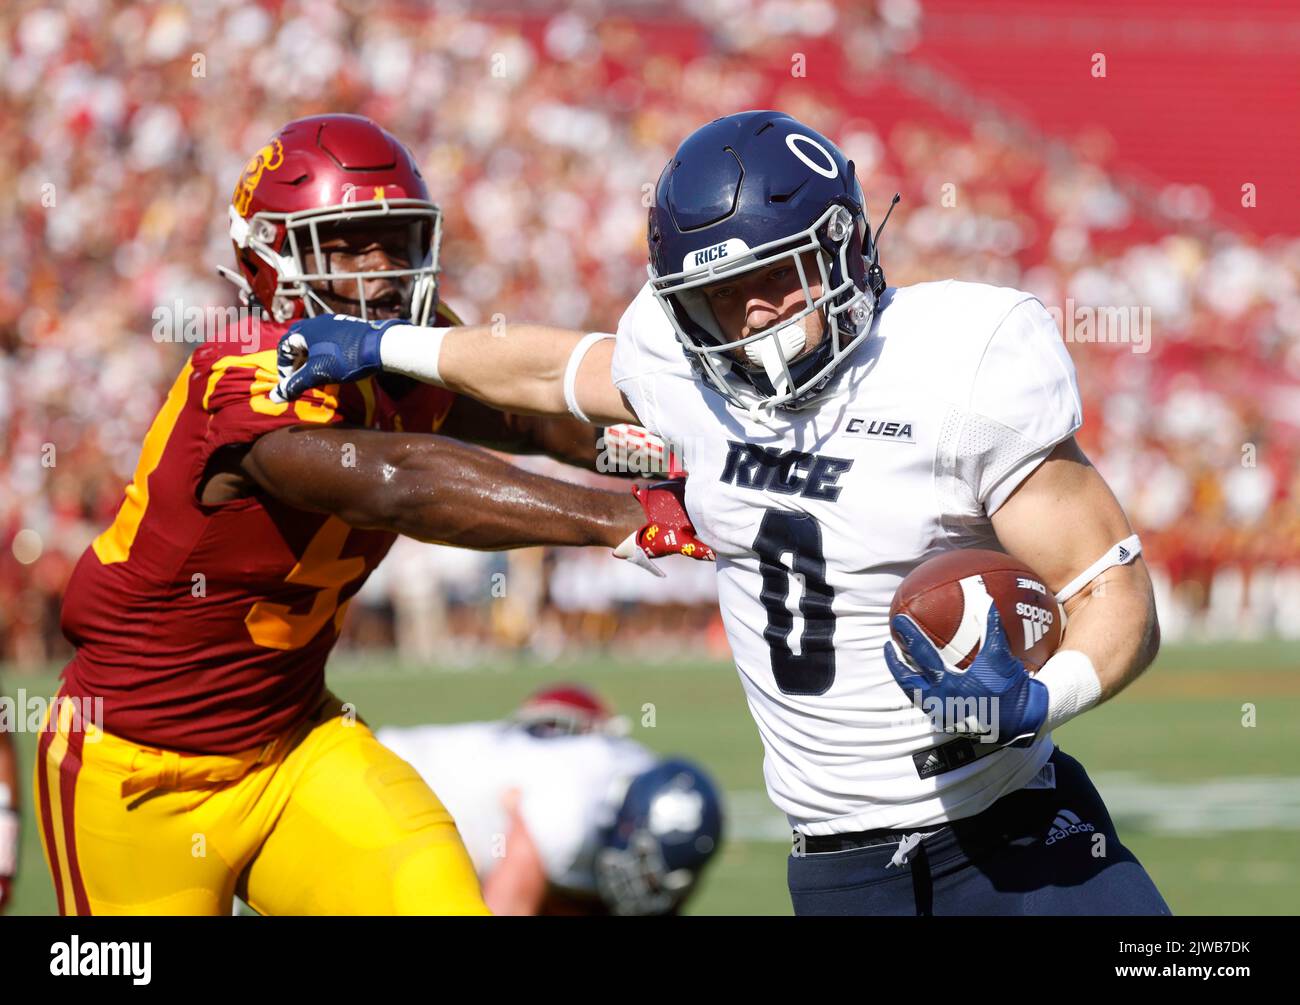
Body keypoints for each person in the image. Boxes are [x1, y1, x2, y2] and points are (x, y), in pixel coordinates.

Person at [280, 109, 1170, 916]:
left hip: (1019, 831)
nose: (751, 319)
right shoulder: (679, 367)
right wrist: (383, 342)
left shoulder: (959, 364)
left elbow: (1115, 590)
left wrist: (1039, 698)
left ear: (842, 248)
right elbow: (547, 368)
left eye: (777, 278)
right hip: (841, 870)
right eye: (718, 297)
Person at [34, 113, 710, 917]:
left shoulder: (400, 342)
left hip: (292, 744)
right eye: (349, 245)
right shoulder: (243, 374)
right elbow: (393, 478)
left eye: (396, 241)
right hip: (140, 770)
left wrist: (675, 458)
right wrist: (617, 520)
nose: (384, 272)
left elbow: (530, 416)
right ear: (269, 257)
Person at [376, 685, 723, 915]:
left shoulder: (639, 773)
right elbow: (506, 907)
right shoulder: (565, 818)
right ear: (628, 824)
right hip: (383, 798)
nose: (649, 889)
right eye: (645, 871)